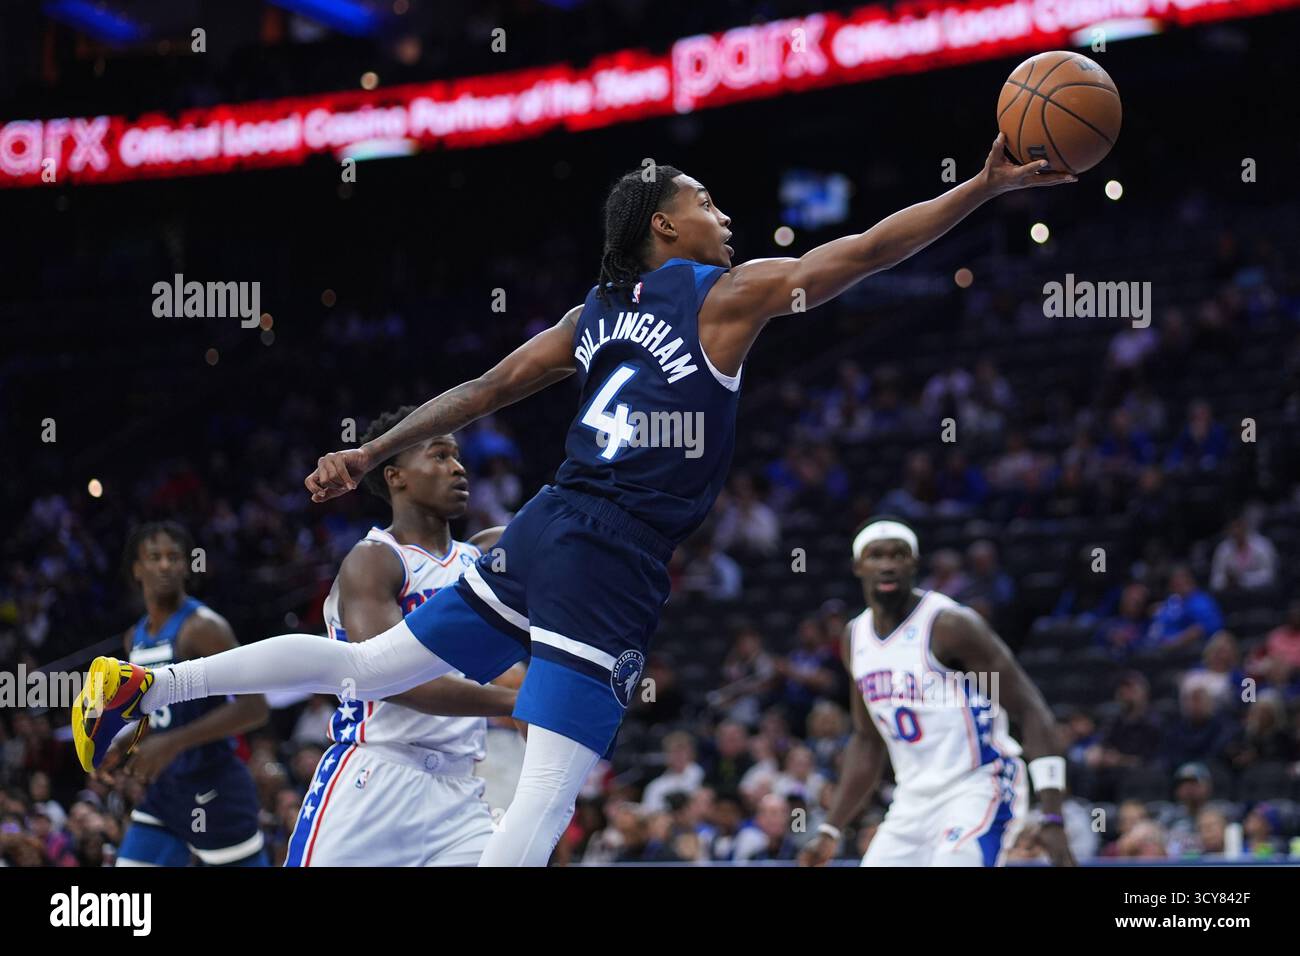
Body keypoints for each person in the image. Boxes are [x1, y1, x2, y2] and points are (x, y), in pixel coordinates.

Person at [75, 139, 1074, 866]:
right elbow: (859, 252)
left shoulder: (594, 313)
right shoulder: (717, 296)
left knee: (368, 666)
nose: (725, 217)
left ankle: (144, 689)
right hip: (612, 556)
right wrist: (984, 184)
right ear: (662, 226)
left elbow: (488, 387)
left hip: (545, 523)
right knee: (544, 801)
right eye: (707, 201)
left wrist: (370, 449)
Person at [284, 411, 521, 866]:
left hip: (460, 791)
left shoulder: (486, 557)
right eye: (440, 455)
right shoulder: (374, 560)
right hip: (375, 780)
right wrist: (516, 702)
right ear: (396, 476)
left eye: (457, 456)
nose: (458, 468)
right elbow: (390, 678)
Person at [800, 519, 1075, 867]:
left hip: (979, 784)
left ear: (914, 563)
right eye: (876, 556)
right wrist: (831, 829)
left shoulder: (950, 626)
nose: (887, 565)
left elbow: (1030, 709)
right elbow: (868, 739)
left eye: (898, 555)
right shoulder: (855, 638)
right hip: (911, 801)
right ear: (858, 566)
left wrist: (1052, 816)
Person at [103, 522, 269, 867]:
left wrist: (174, 742)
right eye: (154, 557)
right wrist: (120, 746)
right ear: (137, 569)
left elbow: (255, 707)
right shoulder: (134, 638)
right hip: (166, 792)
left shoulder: (204, 627)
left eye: (174, 557)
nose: (165, 565)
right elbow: (159, 715)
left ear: (186, 566)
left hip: (216, 787)